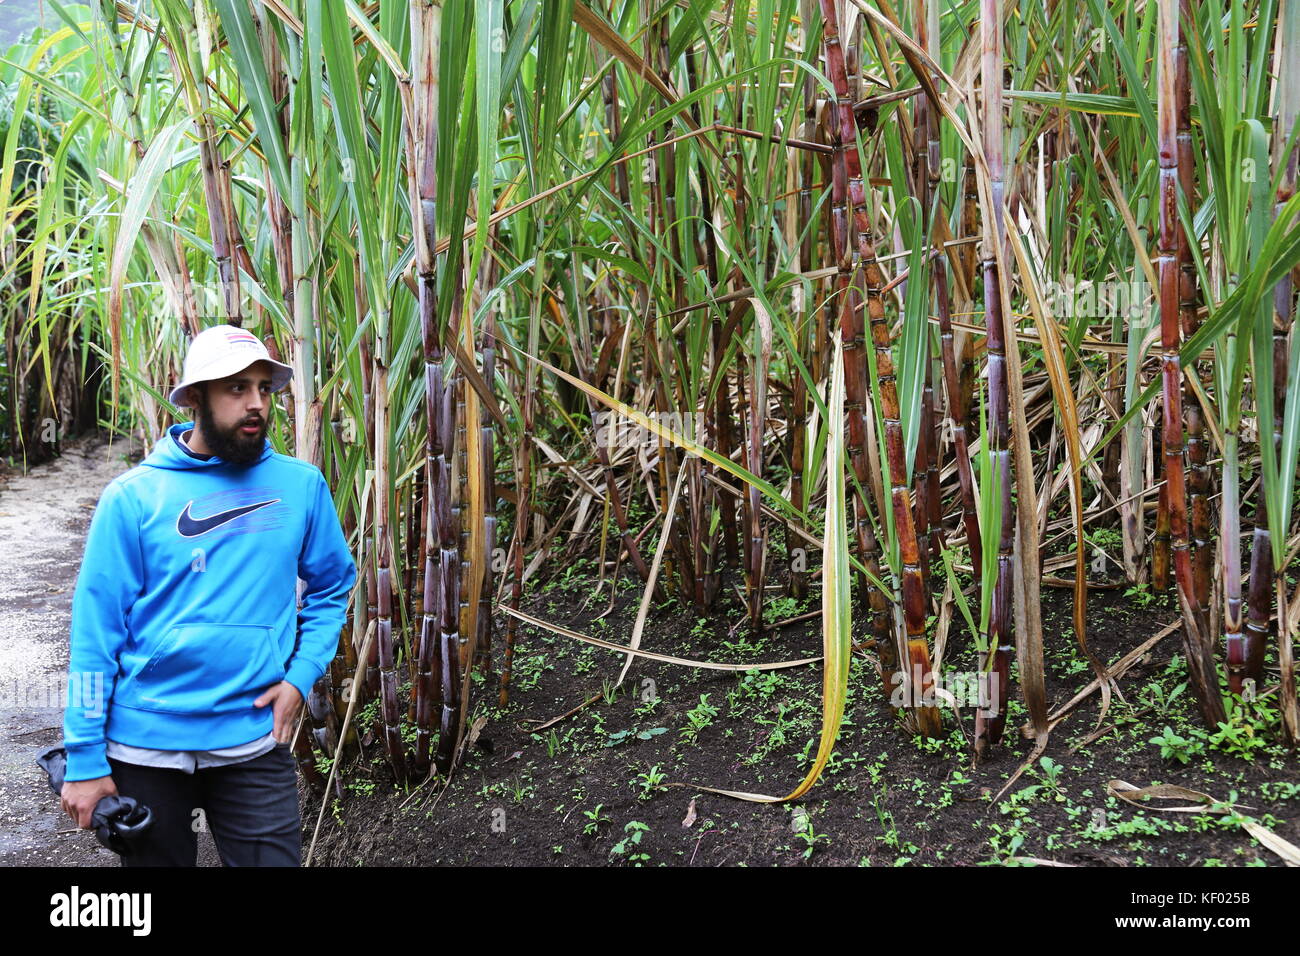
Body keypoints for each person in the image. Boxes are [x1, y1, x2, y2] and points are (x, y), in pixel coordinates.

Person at [59, 324, 358, 866]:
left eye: (264, 389)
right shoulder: (133, 498)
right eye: (236, 389)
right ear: (195, 398)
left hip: (252, 735)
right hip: (144, 743)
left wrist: (300, 676)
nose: (256, 404)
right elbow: (94, 634)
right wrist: (83, 757)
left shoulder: (301, 485)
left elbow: (334, 583)